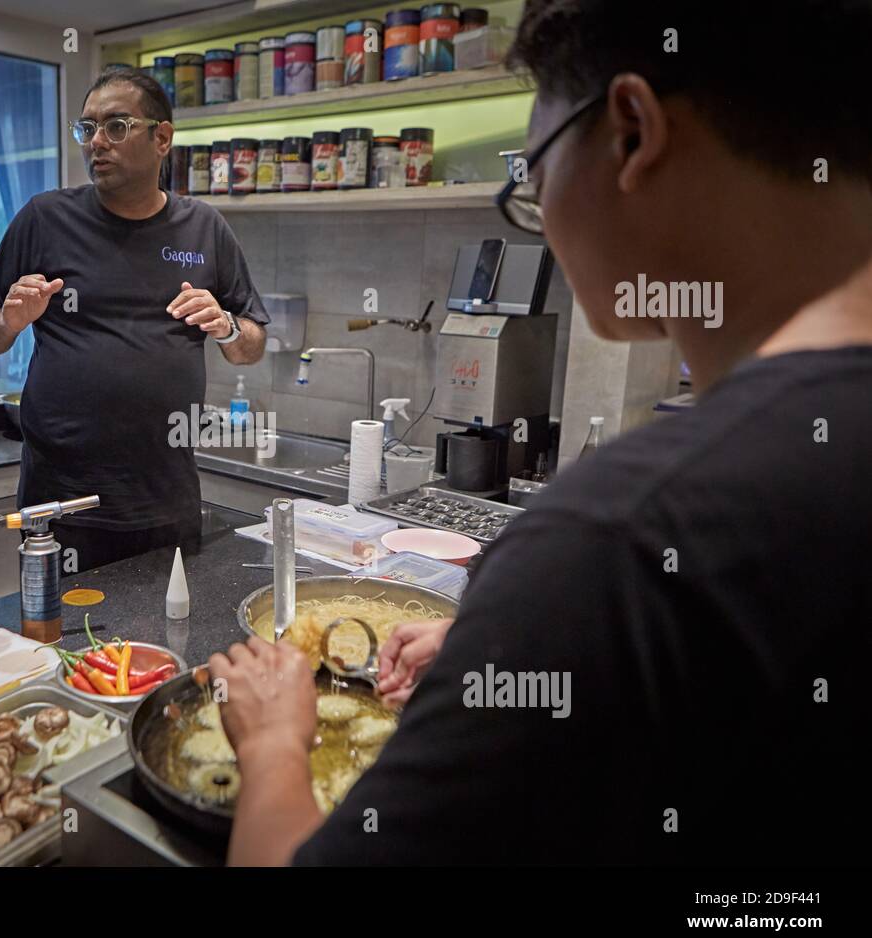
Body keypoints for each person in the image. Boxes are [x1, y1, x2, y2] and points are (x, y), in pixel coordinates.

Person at [211, 0, 872, 866]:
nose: (540, 214)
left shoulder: (614, 537)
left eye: (532, 177)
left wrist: (268, 741)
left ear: (633, 132)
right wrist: (529, 637)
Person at [0, 68, 269, 571]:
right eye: (87, 129)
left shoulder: (205, 228)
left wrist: (227, 327)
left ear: (162, 138)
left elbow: (252, 344)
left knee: (167, 643)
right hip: (62, 500)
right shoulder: (45, 218)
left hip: (165, 499)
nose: (96, 143)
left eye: (116, 126)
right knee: (59, 644)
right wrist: (12, 321)